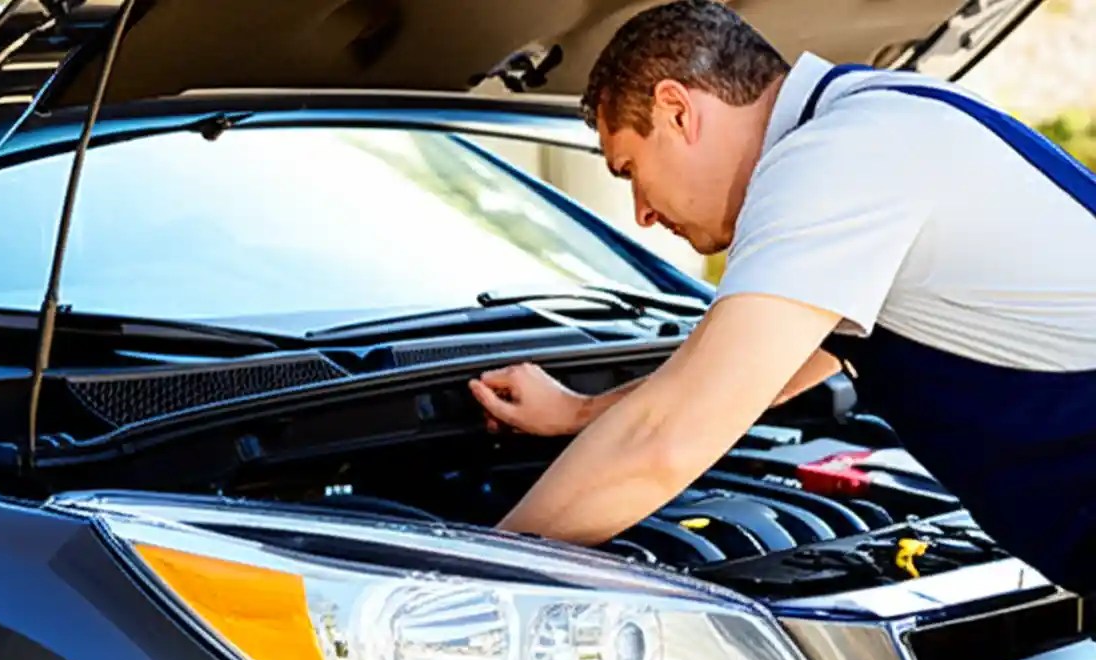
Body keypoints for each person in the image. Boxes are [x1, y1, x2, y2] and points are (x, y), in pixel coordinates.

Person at [468, 0, 1096, 593]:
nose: (641, 213)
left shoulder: (833, 160)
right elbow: (765, 373)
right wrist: (580, 413)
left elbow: (665, 440)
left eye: (630, 170)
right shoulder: (881, 114)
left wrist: (462, 584)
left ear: (677, 110)